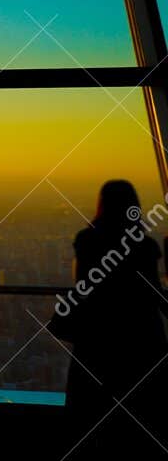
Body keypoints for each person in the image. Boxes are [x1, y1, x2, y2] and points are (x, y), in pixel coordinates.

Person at [59, 181, 168, 427]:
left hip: (97, 338)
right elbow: (153, 291)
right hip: (142, 337)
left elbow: (82, 287)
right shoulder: (145, 246)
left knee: (92, 409)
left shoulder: (87, 241)